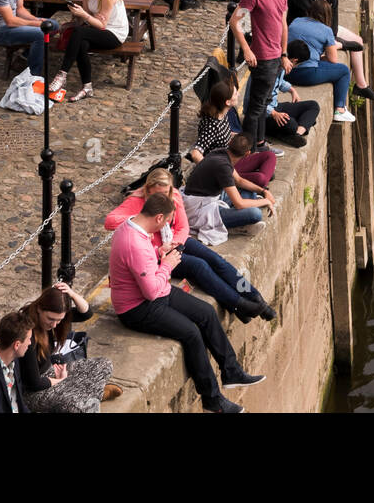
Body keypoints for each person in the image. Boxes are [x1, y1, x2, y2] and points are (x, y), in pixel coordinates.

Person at [109, 192, 263, 413]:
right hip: (137, 307)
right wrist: (167, 264)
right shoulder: (134, 243)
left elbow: (144, 266)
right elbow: (151, 292)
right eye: (168, 221)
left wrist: (158, 251)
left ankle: (232, 372)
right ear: (159, 217)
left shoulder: (132, 225)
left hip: (156, 291)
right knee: (191, 333)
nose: (167, 227)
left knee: (207, 313)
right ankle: (213, 400)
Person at [105, 168, 275, 323]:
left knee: (216, 260)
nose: (163, 198)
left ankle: (256, 298)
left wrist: (175, 243)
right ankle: (238, 305)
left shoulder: (175, 196)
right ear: (148, 191)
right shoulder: (136, 201)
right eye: (158, 194)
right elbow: (110, 221)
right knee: (199, 266)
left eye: (166, 192)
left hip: (176, 241)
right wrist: (144, 216)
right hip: (156, 254)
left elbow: (183, 227)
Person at [19, 283, 117, 411]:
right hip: (33, 391)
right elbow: (34, 383)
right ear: (39, 308)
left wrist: (71, 294)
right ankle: (90, 396)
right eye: (50, 319)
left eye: (59, 320)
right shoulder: (27, 332)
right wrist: (60, 380)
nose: (54, 325)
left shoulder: (54, 318)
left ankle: (89, 396)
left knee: (104, 364)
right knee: (74, 406)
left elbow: (86, 313)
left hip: (51, 372)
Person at [229, 0, 291, 151]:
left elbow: (282, 24)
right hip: (262, 57)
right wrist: (247, 49)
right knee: (256, 108)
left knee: (264, 103)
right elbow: (234, 21)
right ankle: (249, 150)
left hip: (275, 56)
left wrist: (284, 54)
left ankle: (260, 143)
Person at [49, 0, 130, 101]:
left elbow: (101, 25)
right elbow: (87, 16)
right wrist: (78, 16)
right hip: (97, 28)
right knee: (81, 43)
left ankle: (62, 75)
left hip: (115, 33)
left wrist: (87, 16)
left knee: (79, 33)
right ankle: (87, 87)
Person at [286, 0, 360, 123]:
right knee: (343, 71)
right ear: (327, 15)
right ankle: (340, 110)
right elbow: (333, 59)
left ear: (310, 10)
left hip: (288, 72)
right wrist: (320, 57)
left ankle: (340, 110)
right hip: (307, 74)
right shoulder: (326, 31)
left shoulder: (296, 21)